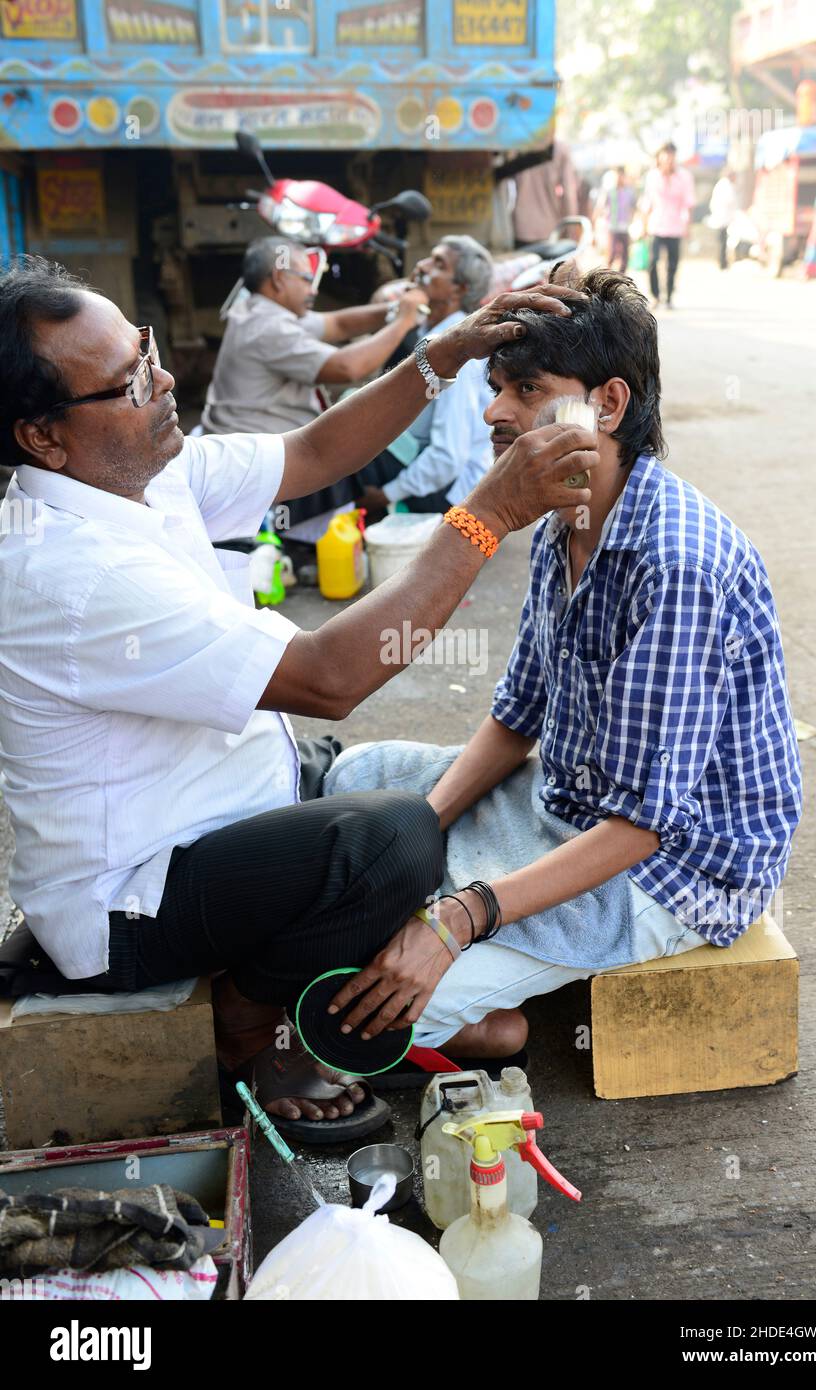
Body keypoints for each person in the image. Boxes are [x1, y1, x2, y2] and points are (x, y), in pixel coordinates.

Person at [0, 256, 594, 1142]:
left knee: (408, 784)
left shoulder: (133, 465)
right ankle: (249, 1023)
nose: (161, 381)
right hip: (135, 896)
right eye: (128, 382)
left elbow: (313, 453)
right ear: (43, 438)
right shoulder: (67, 572)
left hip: (219, 796)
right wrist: (486, 514)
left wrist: (448, 350)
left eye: (148, 349)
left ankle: (362, 990)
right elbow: (330, 677)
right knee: (393, 837)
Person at [323, 266, 802, 1059]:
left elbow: (642, 827)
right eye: (495, 386)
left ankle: (489, 1024)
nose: (494, 410)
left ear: (607, 404)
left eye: (525, 389)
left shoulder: (673, 563)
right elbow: (515, 719)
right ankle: (492, 983)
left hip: (675, 871)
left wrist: (460, 913)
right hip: (571, 804)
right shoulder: (561, 516)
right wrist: (418, 832)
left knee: (372, 1007)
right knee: (360, 780)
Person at [202, 237, 427, 530]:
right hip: (258, 464)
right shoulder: (267, 327)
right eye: (307, 278)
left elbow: (339, 325)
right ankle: (319, 533)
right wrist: (403, 322)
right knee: (371, 443)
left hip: (246, 445)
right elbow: (348, 367)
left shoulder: (263, 310)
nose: (314, 289)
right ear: (279, 279)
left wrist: (394, 310)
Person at [358, 236, 495, 517]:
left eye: (438, 264)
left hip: (450, 494)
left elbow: (448, 457)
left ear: (460, 288)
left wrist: (385, 495)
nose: (421, 266)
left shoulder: (455, 348)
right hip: (429, 469)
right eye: (429, 258)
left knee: (352, 448)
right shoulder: (427, 333)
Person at [641, 142, 695, 310]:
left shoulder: (684, 177)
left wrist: (688, 226)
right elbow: (646, 203)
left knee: (672, 264)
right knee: (653, 261)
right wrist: (643, 225)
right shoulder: (652, 176)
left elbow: (688, 203)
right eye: (666, 158)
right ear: (659, 158)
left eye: (672, 158)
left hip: (675, 226)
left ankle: (669, 296)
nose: (669, 162)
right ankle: (656, 295)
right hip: (656, 225)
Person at [512, 138, 580, 247]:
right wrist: (571, 230)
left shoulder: (515, 147)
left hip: (521, 228)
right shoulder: (561, 149)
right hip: (551, 229)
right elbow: (569, 194)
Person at [594, 167, 636, 274]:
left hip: (625, 227)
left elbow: (633, 207)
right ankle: (606, 275)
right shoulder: (609, 191)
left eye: (621, 176)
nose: (619, 179)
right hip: (612, 226)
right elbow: (600, 207)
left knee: (625, 254)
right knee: (611, 253)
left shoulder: (629, 192)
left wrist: (632, 219)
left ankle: (622, 275)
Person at [707, 167, 738, 270]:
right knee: (722, 242)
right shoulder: (725, 185)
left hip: (723, 217)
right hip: (722, 217)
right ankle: (722, 262)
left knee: (722, 241)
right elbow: (730, 201)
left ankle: (722, 262)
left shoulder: (722, 185)